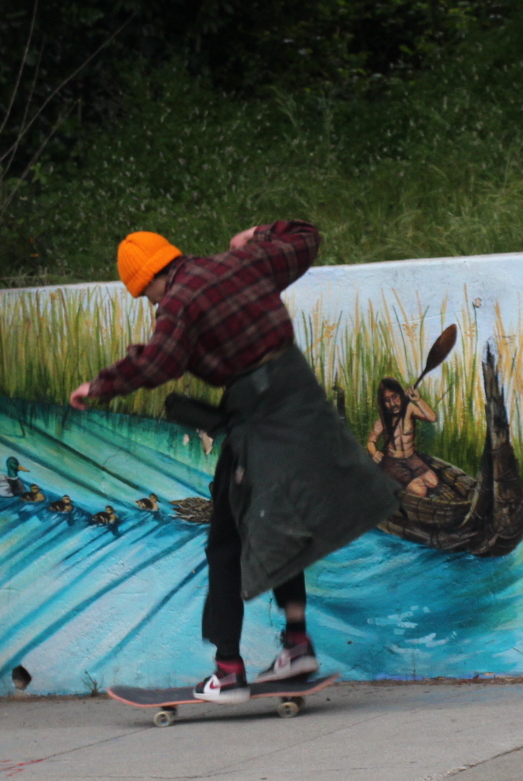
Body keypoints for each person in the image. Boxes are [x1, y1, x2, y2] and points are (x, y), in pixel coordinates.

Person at [70, 224, 401, 703]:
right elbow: (307, 237)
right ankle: (297, 644)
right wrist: (260, 233)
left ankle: (227, 671)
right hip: (300, 400)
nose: (153, 305)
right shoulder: (242, 263)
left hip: (260, 416)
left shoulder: (181, 302)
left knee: (226, 540)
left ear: (153, 280)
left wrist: (98, 386)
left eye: (147, 296)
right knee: (283, 519)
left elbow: (158, 362)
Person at [367, 376, 440, 497]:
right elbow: (371, 441)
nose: (392, 403)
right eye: (387, 400)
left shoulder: (410, 409)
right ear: (383, 402)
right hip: (394, 462)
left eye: (395, 397)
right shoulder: (383, 421)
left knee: (433, 482)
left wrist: (418, 400)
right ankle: (395, 486)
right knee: (420, 491)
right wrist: (374, 453)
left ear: (401, 395)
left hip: (412, 458)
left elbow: (432, 418)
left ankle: (406, 484)